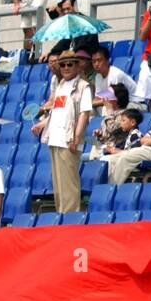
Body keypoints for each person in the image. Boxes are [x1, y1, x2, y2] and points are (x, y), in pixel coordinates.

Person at [45, 50, 93, 212]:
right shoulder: (60, 85)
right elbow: (57, 111)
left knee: (69, 185)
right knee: (58, 185)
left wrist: (76, 138)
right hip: (55, 139)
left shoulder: (83, 86)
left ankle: (70, 219)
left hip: (68, 141)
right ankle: (61, 216)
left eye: (69, 64)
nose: (65, 68)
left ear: (77, 65)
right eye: (63, 65)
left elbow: (84, 114)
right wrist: (41, 125)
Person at [103, 94, 151, 184]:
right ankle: (101, 187)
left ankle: (112, 189)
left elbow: (147, 142)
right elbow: (143, 140)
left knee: (125, 158)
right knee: (107, 159)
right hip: (144, 149)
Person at [91, 44, 135, 111]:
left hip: (134, 103)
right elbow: (98, 98)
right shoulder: (98, 76)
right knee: (90, 109)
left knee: (106, 109)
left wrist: (95, 102)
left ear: (107, 61)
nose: (96, 64)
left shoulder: (115, 74)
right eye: (94, 61)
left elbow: (113, 100)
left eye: (99, 60)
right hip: (118, 104)